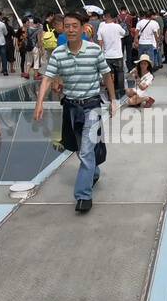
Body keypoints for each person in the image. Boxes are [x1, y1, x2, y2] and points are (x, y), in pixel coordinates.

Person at [34, 12, 117, 214]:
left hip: (91, 106)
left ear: (82, 28)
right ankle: (93, 171)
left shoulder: (94, 51)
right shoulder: (59, 54)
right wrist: (39, 103)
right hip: (71, 107)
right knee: (81, 148)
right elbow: (47, 78)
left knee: (87, 150)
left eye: (75, 26)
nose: (71, 29)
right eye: (67, 26)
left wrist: (113, 100)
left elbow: (106, 75)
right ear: (63, 28)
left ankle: (83, 196)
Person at [97, 10, 128, 97]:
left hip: (107, 55)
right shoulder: (117, 27)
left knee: (108, 75)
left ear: (105, 16)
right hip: (118, 55)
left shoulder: (101, 28)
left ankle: (110, 92)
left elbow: (100, 42)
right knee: (120, 73)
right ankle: (120, 91)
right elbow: (124, 33)